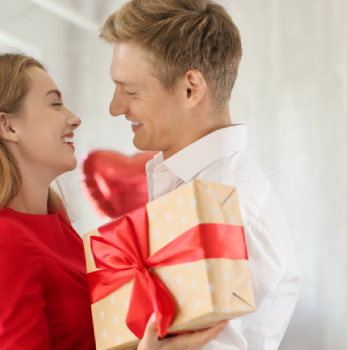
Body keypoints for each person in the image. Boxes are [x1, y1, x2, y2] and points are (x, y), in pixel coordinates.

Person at [0, 53, 227, 350]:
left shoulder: (55, 221)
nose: (74, 118)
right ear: (8, 127)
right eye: (55, 104)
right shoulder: (0, 242)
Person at [101, 1, 302, 349]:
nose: (115, 107)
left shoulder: (228, 213)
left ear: (191, 88)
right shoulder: (190, 189)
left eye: (130, 90)